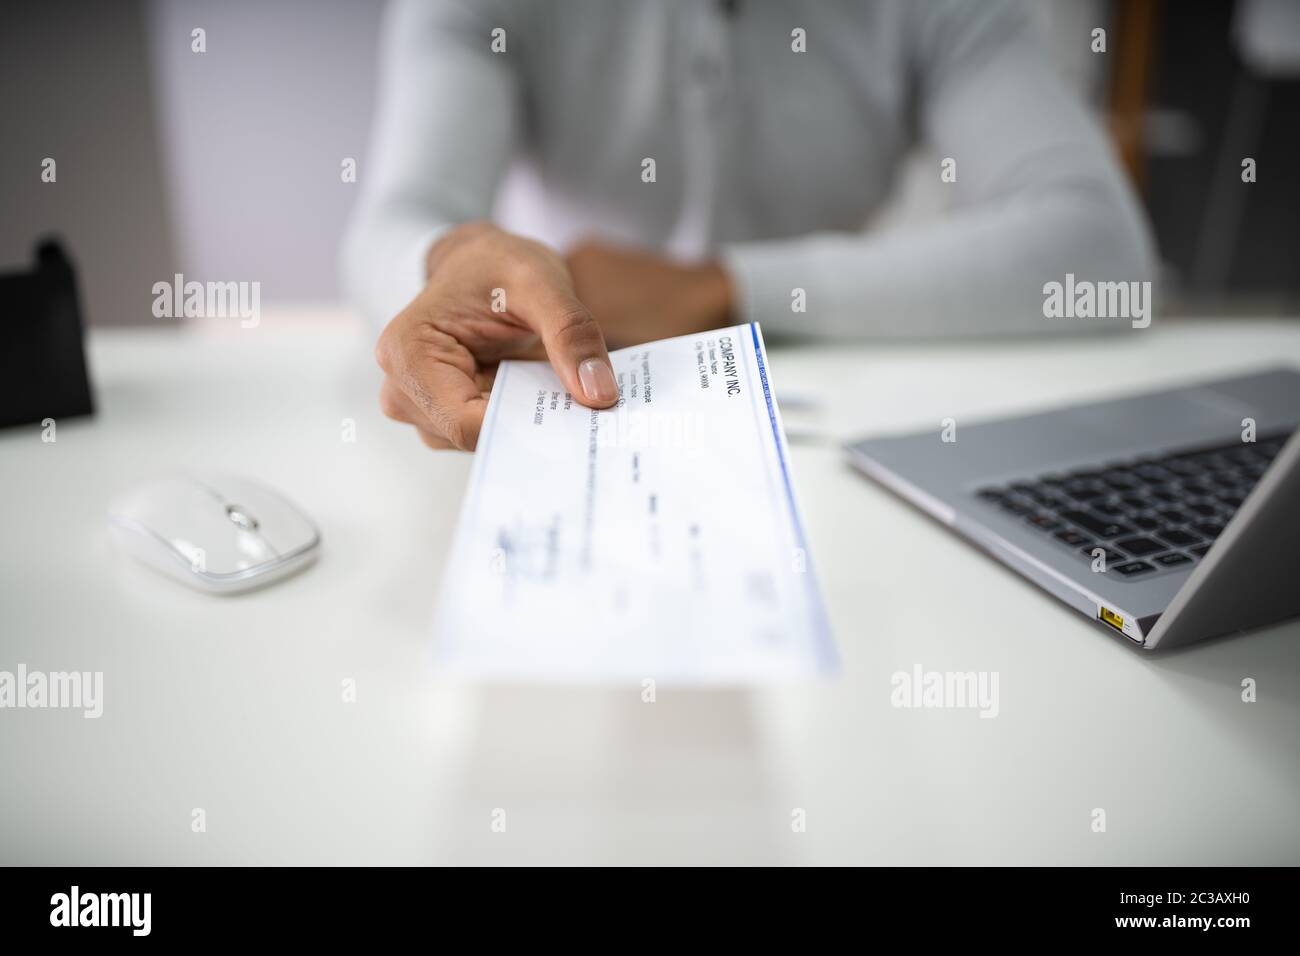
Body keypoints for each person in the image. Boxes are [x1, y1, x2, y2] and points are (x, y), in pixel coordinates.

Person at [343, 0, 1156, 451]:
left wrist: (721, 289)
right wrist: (451, 255)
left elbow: (1101, 252)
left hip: (827, 405)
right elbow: (396, 219)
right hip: (549, 387)